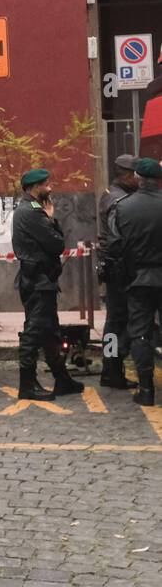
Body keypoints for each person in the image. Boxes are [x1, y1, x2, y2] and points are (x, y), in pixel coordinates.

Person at [11, 168, 83, 401]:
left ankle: (62, 379)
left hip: (42, 281)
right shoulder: (32, 212)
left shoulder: (29, 210)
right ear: (34, 188)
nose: (50, 188)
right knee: (33, 332)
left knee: (50, 332)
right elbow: (56, 244)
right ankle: (27, 386)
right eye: (45, 185)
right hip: (38, 282)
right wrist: (51, 218)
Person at [107, 157, 162, 406]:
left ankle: (146, 389)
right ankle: (112, 370)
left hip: (136, 279)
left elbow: (114, 245)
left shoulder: (121, 207)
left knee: (139, 332)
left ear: (138, 178)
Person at [98, 155, 140, 389]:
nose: (139, 179)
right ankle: (112, 367)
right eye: (136, 175)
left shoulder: (111, 193)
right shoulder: (118, 200)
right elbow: (116, 240)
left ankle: (111, 366)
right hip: (119, 270)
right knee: (117, 322)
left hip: (114, 268)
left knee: (115, 321)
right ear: (127, 175)